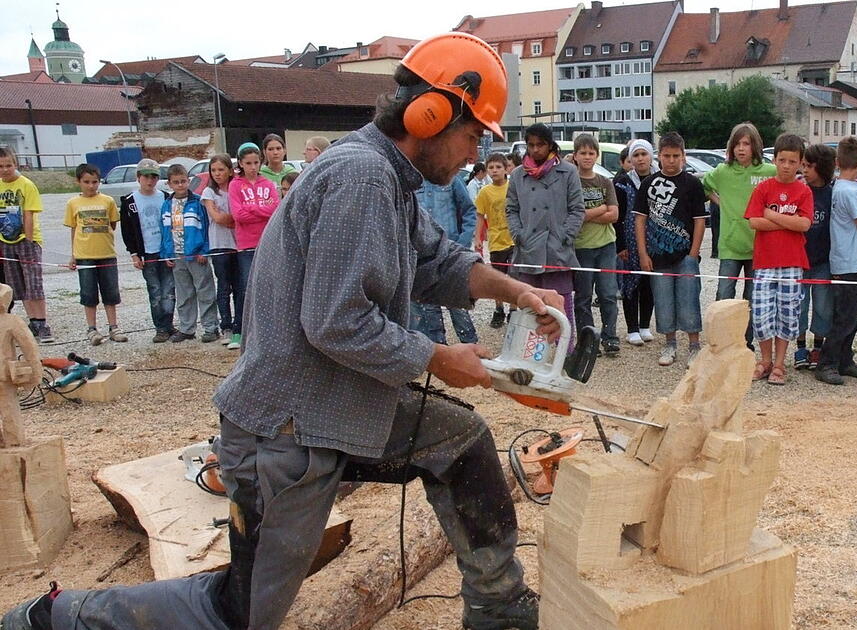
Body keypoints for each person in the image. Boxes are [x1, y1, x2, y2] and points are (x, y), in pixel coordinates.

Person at [2, 32, 552, 630]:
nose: (474, 154)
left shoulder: (389, 177)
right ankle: (58, 616)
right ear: (432, 113)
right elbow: (336, 321)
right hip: (286, 425)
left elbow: (437, 262)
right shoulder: (361, 176)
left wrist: (518, 291)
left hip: (337, 400)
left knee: (460, 440)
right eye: (473, 136)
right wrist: (437, 357)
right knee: (242, 613)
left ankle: (499, 610)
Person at [506, 123, 584, 346]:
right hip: (528, 247)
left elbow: (577, 208)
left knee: (563, 303)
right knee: (531, 305)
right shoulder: (518, 175)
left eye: (540, 145)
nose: (535, 150)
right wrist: (518, 234)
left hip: (557, 248)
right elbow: (511, 208)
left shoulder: (568, 171)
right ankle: (531, 354)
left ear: (550, 145)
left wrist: (565, 236)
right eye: (530, 145)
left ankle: (566, 352)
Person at [745, 134, 813, 386]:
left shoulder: (803, 191)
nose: (786, 165)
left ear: (800, 163)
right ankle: (764, 361)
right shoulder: (763, 188)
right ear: (774, 160)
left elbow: (804, 224)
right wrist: (787, 222)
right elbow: (754, 221)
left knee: (787, 315)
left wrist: (770, 214)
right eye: (782, 160)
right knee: (762, 316)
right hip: (765, 262)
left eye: (792, 161)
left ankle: (780, 364)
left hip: (793, 262)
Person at [635, 132, 707, 367]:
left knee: (689, 300)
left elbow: (699, 220)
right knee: (663, 301)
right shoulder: (648, 184)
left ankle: (694, 345)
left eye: (676, 155)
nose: (672, 160)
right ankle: (669, 344)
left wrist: (693, 253)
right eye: (667, 156)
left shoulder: (693, 184)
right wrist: (643, 253)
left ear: (684, 156)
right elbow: (640, 221)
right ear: (659, 156)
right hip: (657, 256)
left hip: (685, 255)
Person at [702, 123, 777, 347]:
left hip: (759, 245)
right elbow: (704, 186)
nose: (741, 149)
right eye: (737, 144)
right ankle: (721, 340)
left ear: (755, 146)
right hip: (730, 244)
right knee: (724, 293)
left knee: (752, 298)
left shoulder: (768, 172)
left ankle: (745, 343)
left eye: (746, 144)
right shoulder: (723, 172)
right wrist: (720, 202)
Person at [816, 137, 857, 385]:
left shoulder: (841, 187)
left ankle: (845, 359)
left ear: (838, 161)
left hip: (850, 259)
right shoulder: (849, 191)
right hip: (847, 261)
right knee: (845, 317)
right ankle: (827, 362)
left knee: (852, 315)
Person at [411, 171, 478, 345]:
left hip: (450, 255)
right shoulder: (411, 182)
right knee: (428, 310)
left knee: (458, 308)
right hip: (422, 257)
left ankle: (473, 349)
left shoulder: (452, 180)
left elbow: (469, 211)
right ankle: (439, 351)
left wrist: (463, 242)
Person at [64, 163, 127, 345]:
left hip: (106, 253)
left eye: (95, 182)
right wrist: (73, 254)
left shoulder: (107, 201)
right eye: (87, 182)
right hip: (84, 255)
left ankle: (113, 326)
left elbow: (113, 224)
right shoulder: (73, 203)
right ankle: (92, 329)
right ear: (79, 182)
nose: (91, 186)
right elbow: (74, 229)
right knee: (89, 293)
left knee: (111, 292)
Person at [571, 134, 621, 355]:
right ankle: (588, 339)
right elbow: (573, 215)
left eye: (591, 153)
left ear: (597, 155)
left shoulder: (604, 182)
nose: (587, 157)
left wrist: (590, 213)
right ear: (575, 155)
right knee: (583, 296)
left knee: (608, 293)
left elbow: (614, 214)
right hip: (581, 247)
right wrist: (600, 209)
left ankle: (610, 337)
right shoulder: (571, 183)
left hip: (606, 246)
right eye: (583, 153)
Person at [118, 157, 175, 343]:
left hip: (164, 250)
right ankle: (160, 327)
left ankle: (169, 324)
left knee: (169, 289)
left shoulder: (166, 197)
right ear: (138, 177)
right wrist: (134, 253)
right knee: (155, 291)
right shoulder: (129, 201)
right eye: (146, 177)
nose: (150, 181)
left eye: (153, 177)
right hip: (147, 251)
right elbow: (127, 230)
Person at [161, 164, 219, 343]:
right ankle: (187, 328)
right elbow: (164, 230)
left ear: (188, 181)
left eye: (183, 181)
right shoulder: (166, 205)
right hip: (177, 256)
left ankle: (211, 327)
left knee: (205, 291)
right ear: (169, 184)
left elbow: (208, 227)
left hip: (196, 255)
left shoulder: (198, 202)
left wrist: (204, 250)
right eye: (176, 182)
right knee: (184, 293)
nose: (180, 185)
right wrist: (166, 253)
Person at [0, 147, 52, 342]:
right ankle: (33, 321)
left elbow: (29, 213)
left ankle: (42, 322)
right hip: (6, 241)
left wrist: (28, 240)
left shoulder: (26, 185)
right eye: (1, 166)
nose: (5, 170)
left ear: (15, 165)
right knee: (18, 285)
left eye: (8, 165)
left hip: (26, 240)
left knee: (34, 284)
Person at [793, 143, 834, 370]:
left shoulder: (831, 194)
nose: (804, 170)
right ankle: (800, 347)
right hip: (800, 260)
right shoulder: (800, 191)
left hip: (823, 260)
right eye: (804, 165)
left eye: (809, 166)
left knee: (823, 306)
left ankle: (818, 347)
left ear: (822, 167)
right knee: (799, 305)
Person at [614, 141, 656, 346]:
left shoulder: (659, 179)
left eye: (644, 154)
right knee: (630, 285)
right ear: (630, 159)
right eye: (636, 155)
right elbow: (618, 217)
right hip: (630, 241)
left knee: (649, 284)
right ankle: (631, 328)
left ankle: (645, 325)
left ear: (650, 156)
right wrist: (620, 245)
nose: (640, 158)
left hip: (654, 241)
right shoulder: (622, 182)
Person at [228, 142, 280, 301]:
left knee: (270, 285)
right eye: (248, 163)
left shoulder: (267, 184)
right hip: (246, 244)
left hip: (267, 241)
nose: (253, 167)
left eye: (256, 162)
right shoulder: (235, 185)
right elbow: (238, 215)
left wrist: (252, 209)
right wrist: (262, 210)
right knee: (249, 287)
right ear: (241, 164)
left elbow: (276, 210)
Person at [201, 154, 243, 348]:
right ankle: (225, 324)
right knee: (224, 286)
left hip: (238, 243)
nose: (217, 174)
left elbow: (242, 214)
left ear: (229, 170)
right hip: (219, 243)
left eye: (221, 169)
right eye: (214, 170)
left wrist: (234, 217)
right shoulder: (209, 193)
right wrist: (232, 218)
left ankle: (239, 326)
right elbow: (217, 218)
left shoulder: (237, 188)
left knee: (240, 287)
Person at [473, 152, 514, 328]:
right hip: (496, 241)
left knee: (514, 277)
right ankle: (499, 309)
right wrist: (478, 238)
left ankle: (514, 310)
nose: (495, 171)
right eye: (491, 167)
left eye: (498, 167)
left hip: (514, 240)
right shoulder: (485, 192)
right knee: (498, 278)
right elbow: (480, 216)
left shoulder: (513, 188)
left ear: (506, 169)